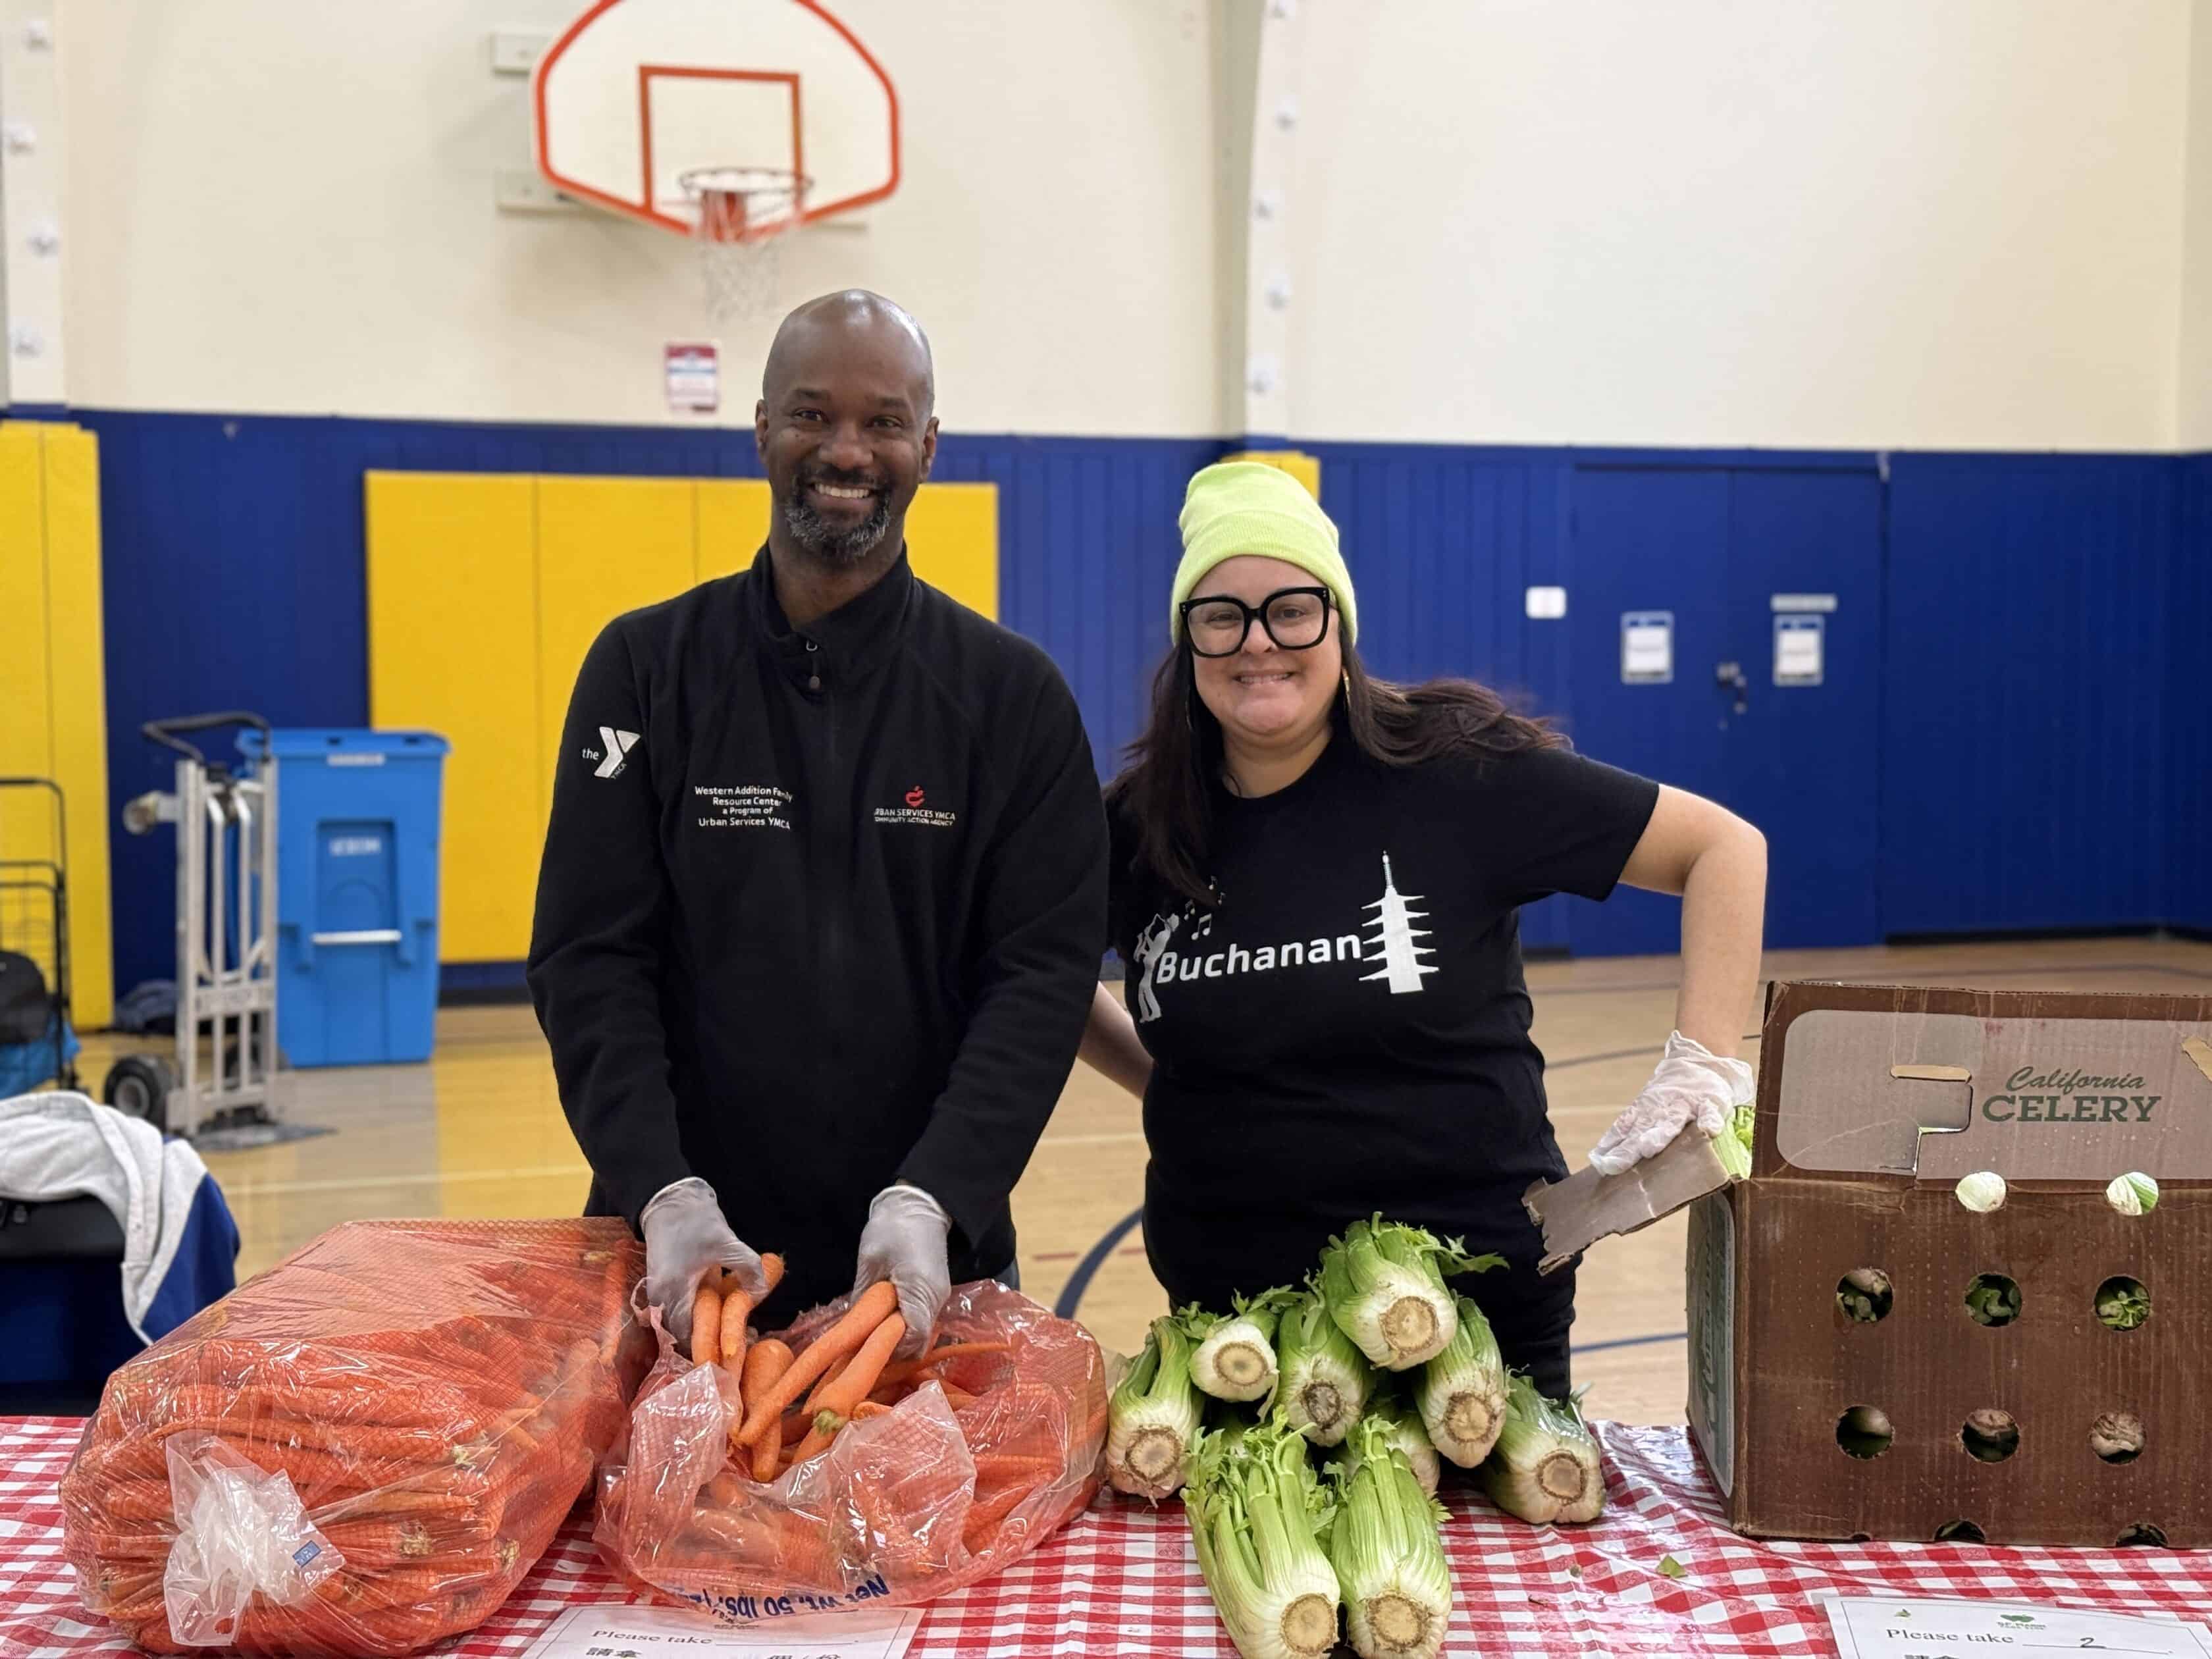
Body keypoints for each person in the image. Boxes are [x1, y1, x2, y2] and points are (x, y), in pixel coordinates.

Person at [1078, 461, 1766, 1396]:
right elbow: (1042, 971)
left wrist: (1702, 1061)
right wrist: (1172, 1079)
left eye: (1291, 609)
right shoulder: (1138, 828)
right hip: (1238, 1322)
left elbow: (1724, 849)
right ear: (1187, 640)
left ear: (1339, 623)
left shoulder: (1456, 774)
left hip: (1475, 1318)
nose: (1258, 643)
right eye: (1220, 616)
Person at [529, 290, 1107, 1356]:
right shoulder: (644, 671)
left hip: (932, 1278)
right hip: (677, 1271)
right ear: (760, 430)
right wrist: (662, 1192)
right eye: (811, 415)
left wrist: (938, 1195)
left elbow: (1038, 981)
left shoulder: (1011, 697)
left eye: (884, 421)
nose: (846, 451)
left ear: (928, 446)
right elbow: (587, 959)